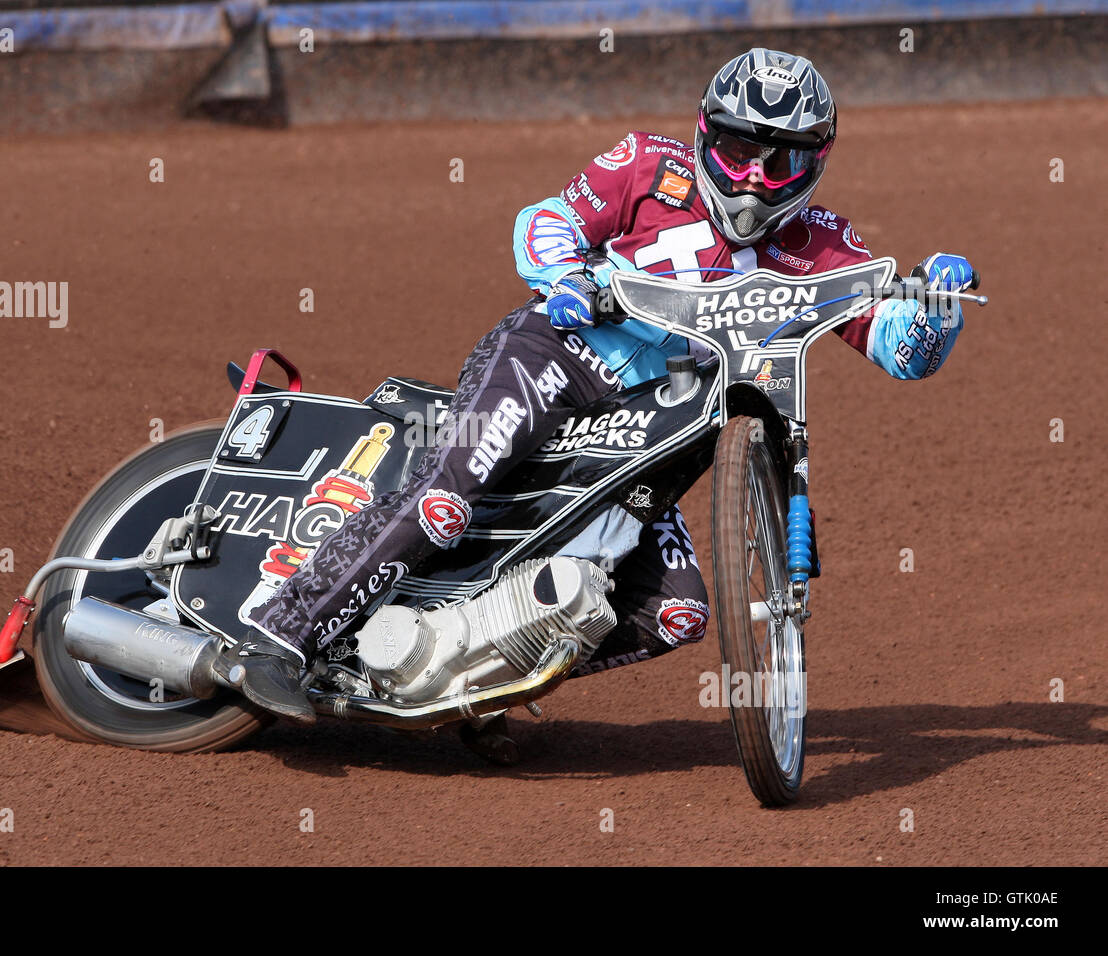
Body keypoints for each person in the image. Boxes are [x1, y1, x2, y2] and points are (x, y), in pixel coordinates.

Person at [217, 48, 974, 726]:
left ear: (816, 163)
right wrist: (567, 280)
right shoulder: (647, 165)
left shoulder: (825, 246)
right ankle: (282, 633)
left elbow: (900, 350)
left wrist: (935, 310)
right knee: (447, 495)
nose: (751, 179)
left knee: (674, 614)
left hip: (656, 425)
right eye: (739, 149)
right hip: (558, 356)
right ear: (708, 136)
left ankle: (475, 684)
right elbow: (545, 221)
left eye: (777, 163)